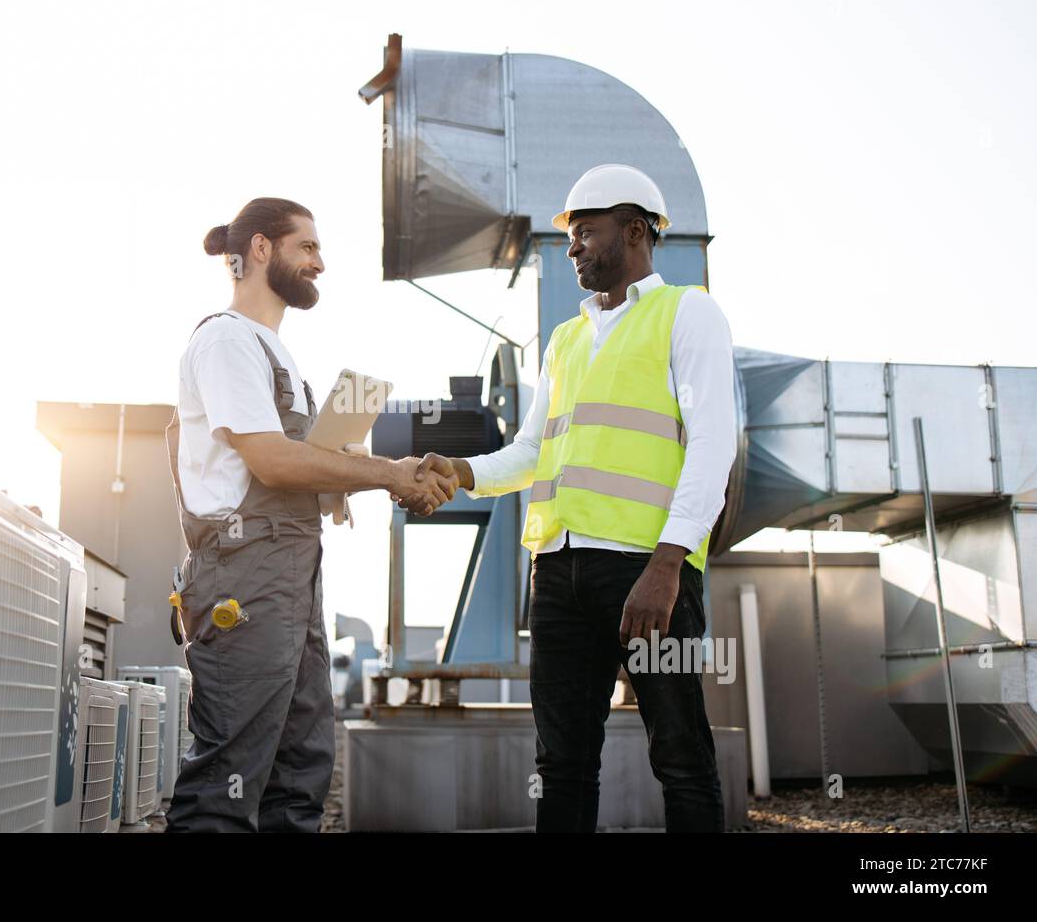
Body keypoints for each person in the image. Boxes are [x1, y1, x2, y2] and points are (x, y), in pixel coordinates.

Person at [401, 165, 737, 832]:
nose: (573, 247)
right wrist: (461, 471)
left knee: (680, 754)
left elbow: (712, 445)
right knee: (562, 762)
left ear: (634, 230)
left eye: (585, 232)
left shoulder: (688, 313)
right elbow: (531, 454)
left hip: (646, 572)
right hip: (558, 574)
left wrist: (667, 566)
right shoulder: (566, 340)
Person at [165, 196, 455, 832]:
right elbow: (273, 462)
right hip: (242, 579)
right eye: (308, 247)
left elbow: (296, 467)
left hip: (293, 575)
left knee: (301, 769)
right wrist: (387, 474)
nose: (320, 262)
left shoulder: (281, 358)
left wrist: (365, 478)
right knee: (228, 775)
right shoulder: (226, 342)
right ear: (263, 249)